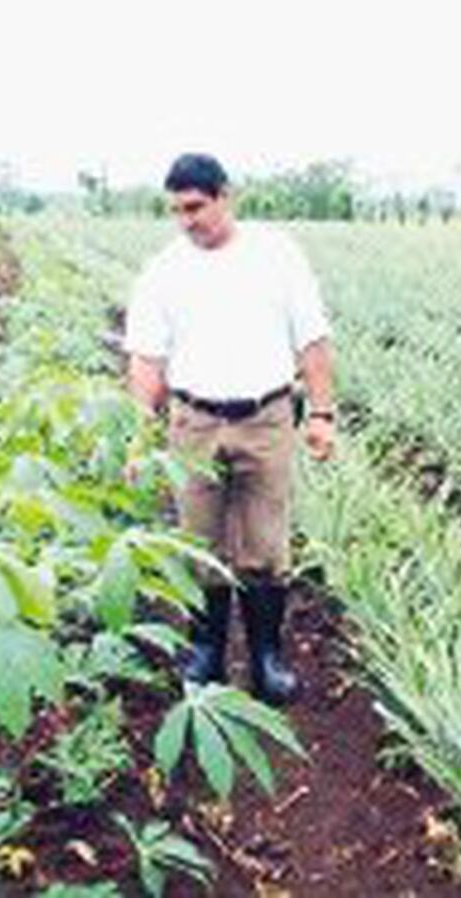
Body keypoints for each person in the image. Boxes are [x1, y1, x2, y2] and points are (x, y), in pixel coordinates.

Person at [124, 153, 335, 705]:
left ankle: (266, 657)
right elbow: (147, 360)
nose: (187, 221)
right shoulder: (163, 270)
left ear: (225, 196)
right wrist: (138, 434)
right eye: (176, 211)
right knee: (200, 542)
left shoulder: (277, 256)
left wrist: (321, 414)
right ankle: (208, 651)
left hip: (266, 418)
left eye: (195, 207)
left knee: (265, 546)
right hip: (193, 422)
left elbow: (312, 339)